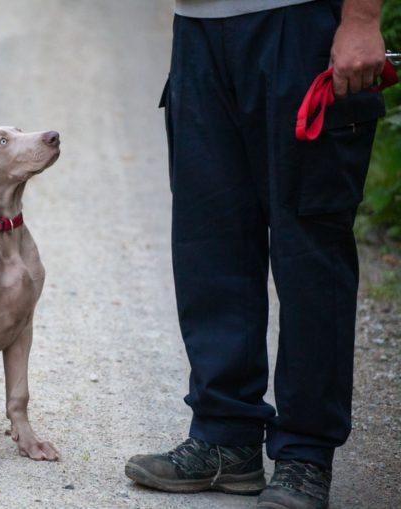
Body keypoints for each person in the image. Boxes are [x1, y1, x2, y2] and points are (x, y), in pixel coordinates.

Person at [125, 1, 387, 508]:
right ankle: (225, 438)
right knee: (210, 245)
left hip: (299, 24)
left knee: (311, 253)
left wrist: (360, 19)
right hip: (198, 32)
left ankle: (306, 455)